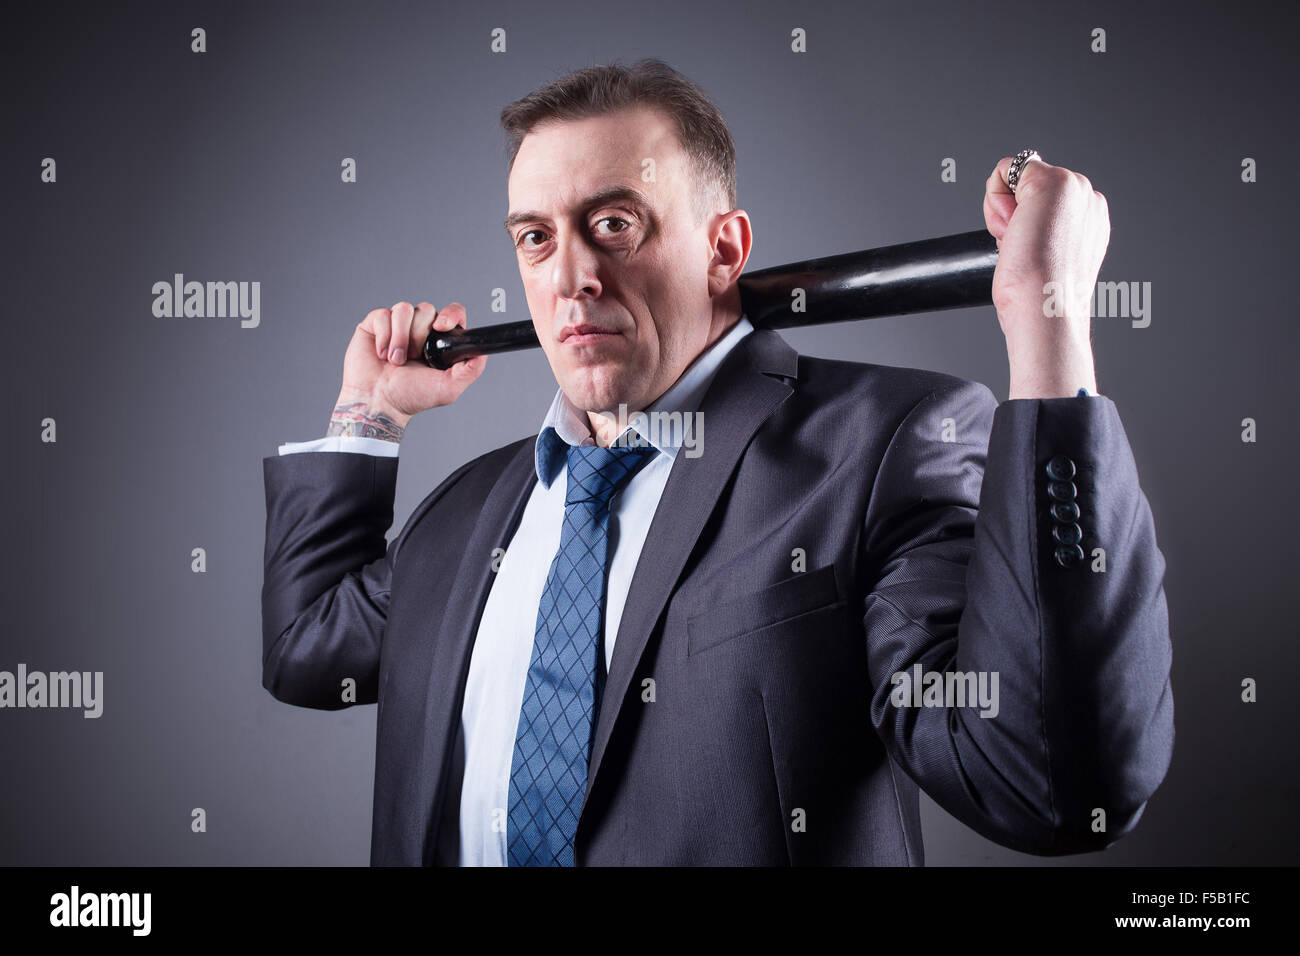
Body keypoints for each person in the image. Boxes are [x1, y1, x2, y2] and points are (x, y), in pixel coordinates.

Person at [261, 58, 1173, 866]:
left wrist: (1044, 322)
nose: (571, 273)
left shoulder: (880, 448)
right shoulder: (469, 510)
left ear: (725, 250)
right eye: (536, 237)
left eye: (615, 223)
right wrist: (367, 414)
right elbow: (308, 652)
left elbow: (1045, 783)